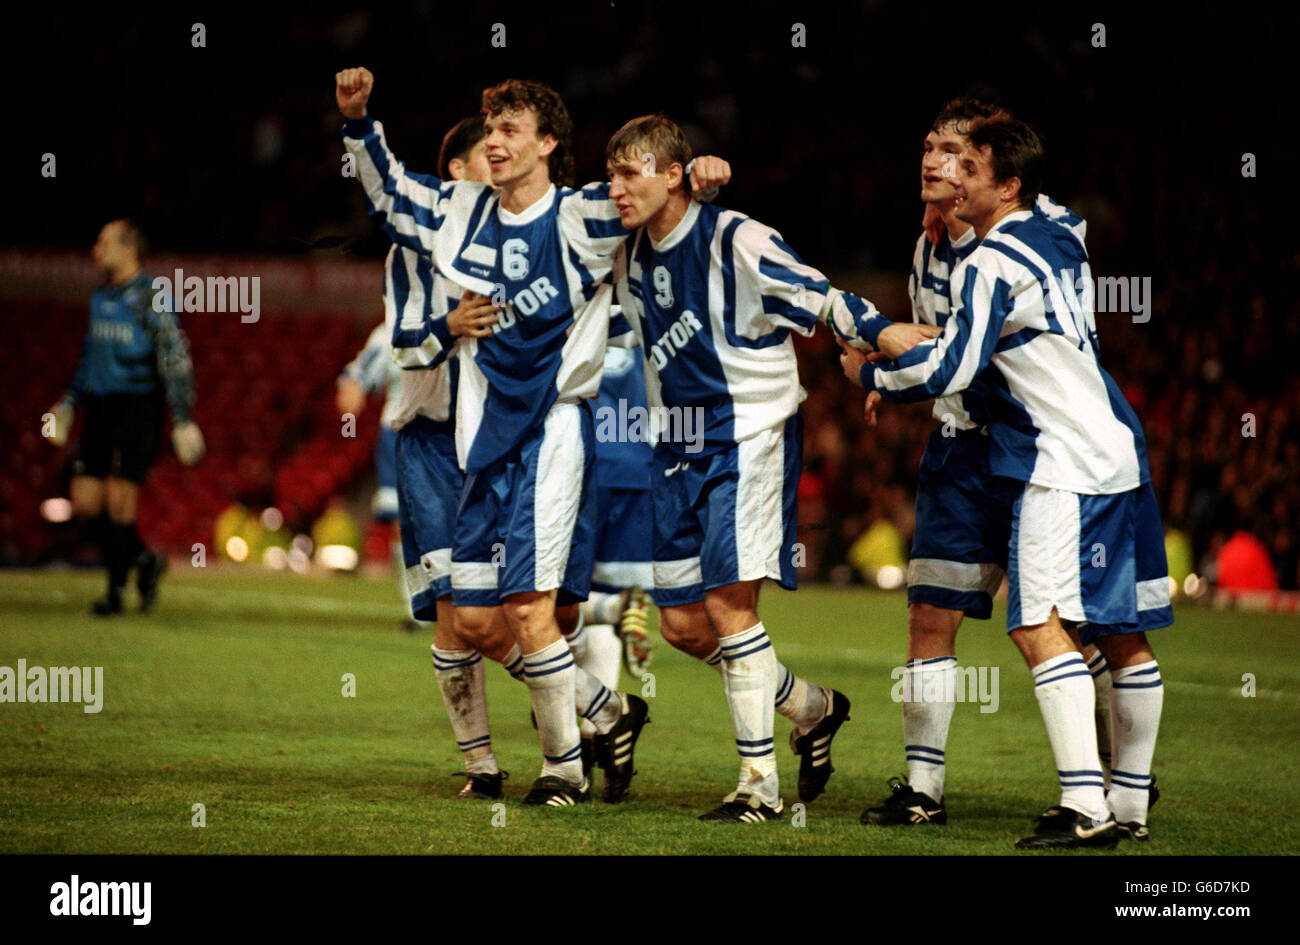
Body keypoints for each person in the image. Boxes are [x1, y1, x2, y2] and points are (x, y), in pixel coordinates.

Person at [337, 66, 730, 806]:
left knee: (529, 611)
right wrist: (359, 122)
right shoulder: (460, 209)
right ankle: (608, 712)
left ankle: (561, 770)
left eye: (511, 130)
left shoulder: (583, 214)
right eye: (490, 129)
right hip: (480, 439)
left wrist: (699, 179)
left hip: (553, 433)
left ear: (548, 143)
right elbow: (389, 192)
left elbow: (656, 197)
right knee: (480, 618)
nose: (494, 142)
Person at [840, 118, 1170, 848]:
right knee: (1112, 629)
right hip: (1093, 446)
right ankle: (1127, 803)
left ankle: (1086, 804)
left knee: (1041, 623)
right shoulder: (1036, 236)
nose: (946, 169)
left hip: (1045, 454)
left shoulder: (999, 254)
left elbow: (952, 362)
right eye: (934, 153)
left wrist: (870, 368)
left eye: (964, 159)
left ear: (1002, 181)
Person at [606, 113, 930, 822]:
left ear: (673, 174)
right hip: (674, 449)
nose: (615, 187)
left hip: (748, 435)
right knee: (685, 628)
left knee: (728, 607)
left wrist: (876, 333)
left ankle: (758, 785)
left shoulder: (735, 238)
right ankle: (813, 708)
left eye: (630, 171)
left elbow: (816, 293)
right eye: (610, 174)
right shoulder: (627, 256)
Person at [50, 219, 203, 616]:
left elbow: (174, 356)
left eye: (103, 243)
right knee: (85, 502)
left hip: (138, 408)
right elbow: (89, 356)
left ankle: (115, 593)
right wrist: (68, 402)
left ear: (128, 249)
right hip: (99, 408)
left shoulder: (151, 298)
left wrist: (183, 417)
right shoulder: (100, 298)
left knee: (120, 501)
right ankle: (145, 560)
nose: (95, 251)